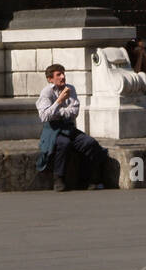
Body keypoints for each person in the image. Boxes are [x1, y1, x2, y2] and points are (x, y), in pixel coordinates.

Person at [36, 63, 107, 191]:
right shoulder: (46, 92)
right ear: (50, 79)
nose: (63, 77)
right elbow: (44, 116)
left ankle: (88, 179)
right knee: (64, 143)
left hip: (68, 127)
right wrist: (59, 101)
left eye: (63, 73)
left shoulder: (70, 89)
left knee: (89, 142)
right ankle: (58, 178)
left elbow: (74, 111)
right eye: (59, 74)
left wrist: (58, 112)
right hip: (52, 130)